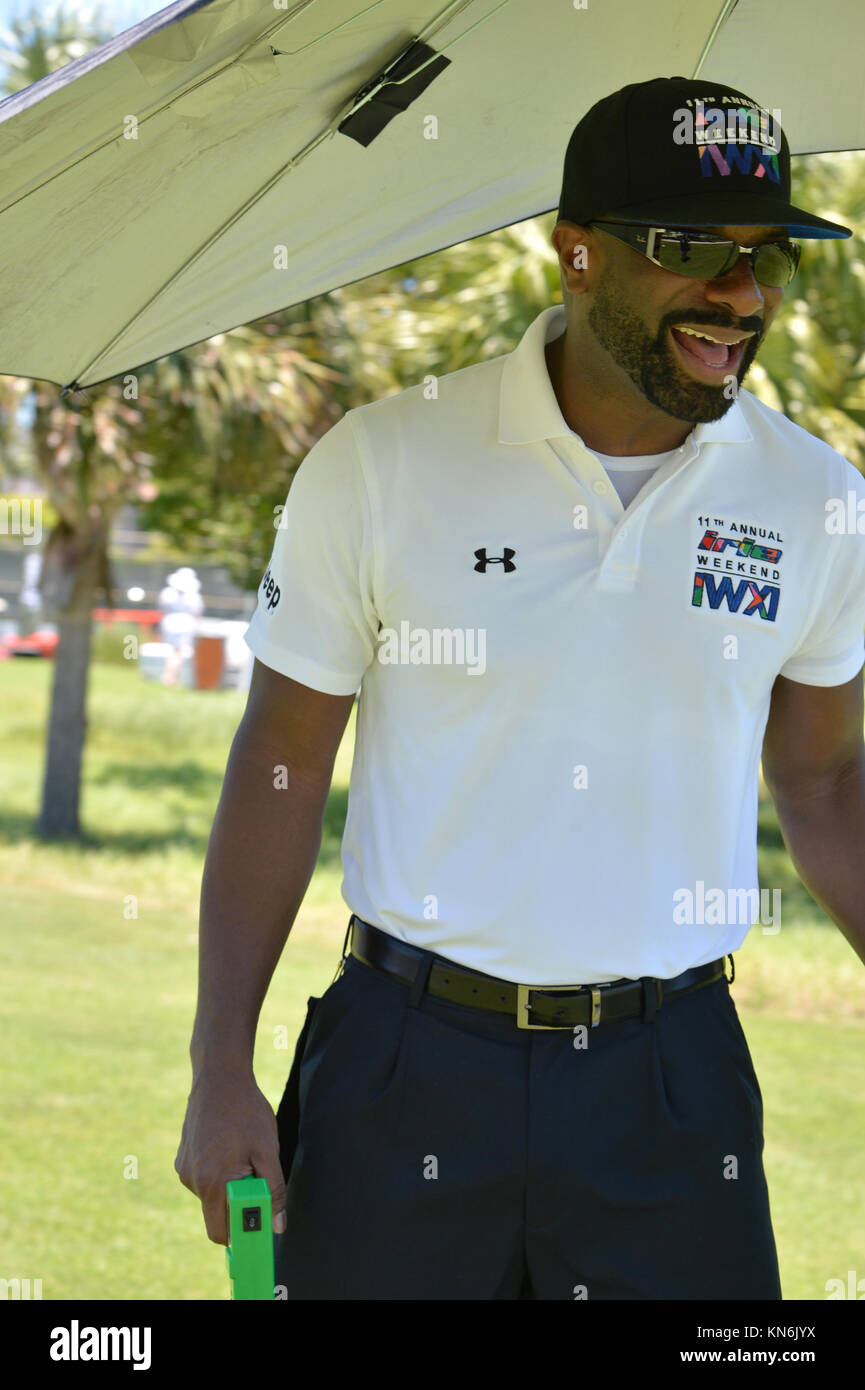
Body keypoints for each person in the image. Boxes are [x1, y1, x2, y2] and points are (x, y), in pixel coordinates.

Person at [175, 76, 865, 1299]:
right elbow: (280, 756)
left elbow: (821, 778)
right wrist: (219, 1065)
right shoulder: (382, 463)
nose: (740, 297)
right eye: (694, 250)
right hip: (401, 1067)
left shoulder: (815, 499)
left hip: (673, 1081)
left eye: (765, 260)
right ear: (578, 254)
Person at [158, 566, 203, 686]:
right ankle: (170, 677)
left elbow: (163, 608)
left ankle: (170, 675)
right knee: (179, 652)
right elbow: (197, 612)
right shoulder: (193, 596)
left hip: (169, 622)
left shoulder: (167, 593)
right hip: (186, 623)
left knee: (173, 650)